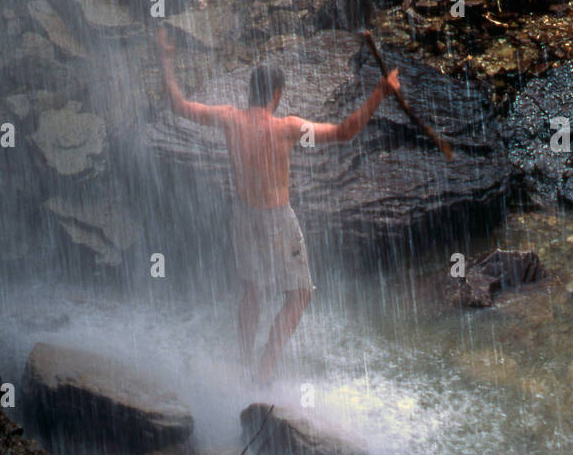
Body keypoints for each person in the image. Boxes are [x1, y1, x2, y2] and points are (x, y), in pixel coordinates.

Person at [156, 31, 400, 382]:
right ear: (276, 94)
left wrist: (165, 59)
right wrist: (379, 93)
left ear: (249, 92)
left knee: (252, 290)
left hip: (242, 216)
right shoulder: (287, 129)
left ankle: (242, 363)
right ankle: (266, 364)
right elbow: (345, 131)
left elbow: (177, 105)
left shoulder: (229, 118)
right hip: (276, 221)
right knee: (300, 294)